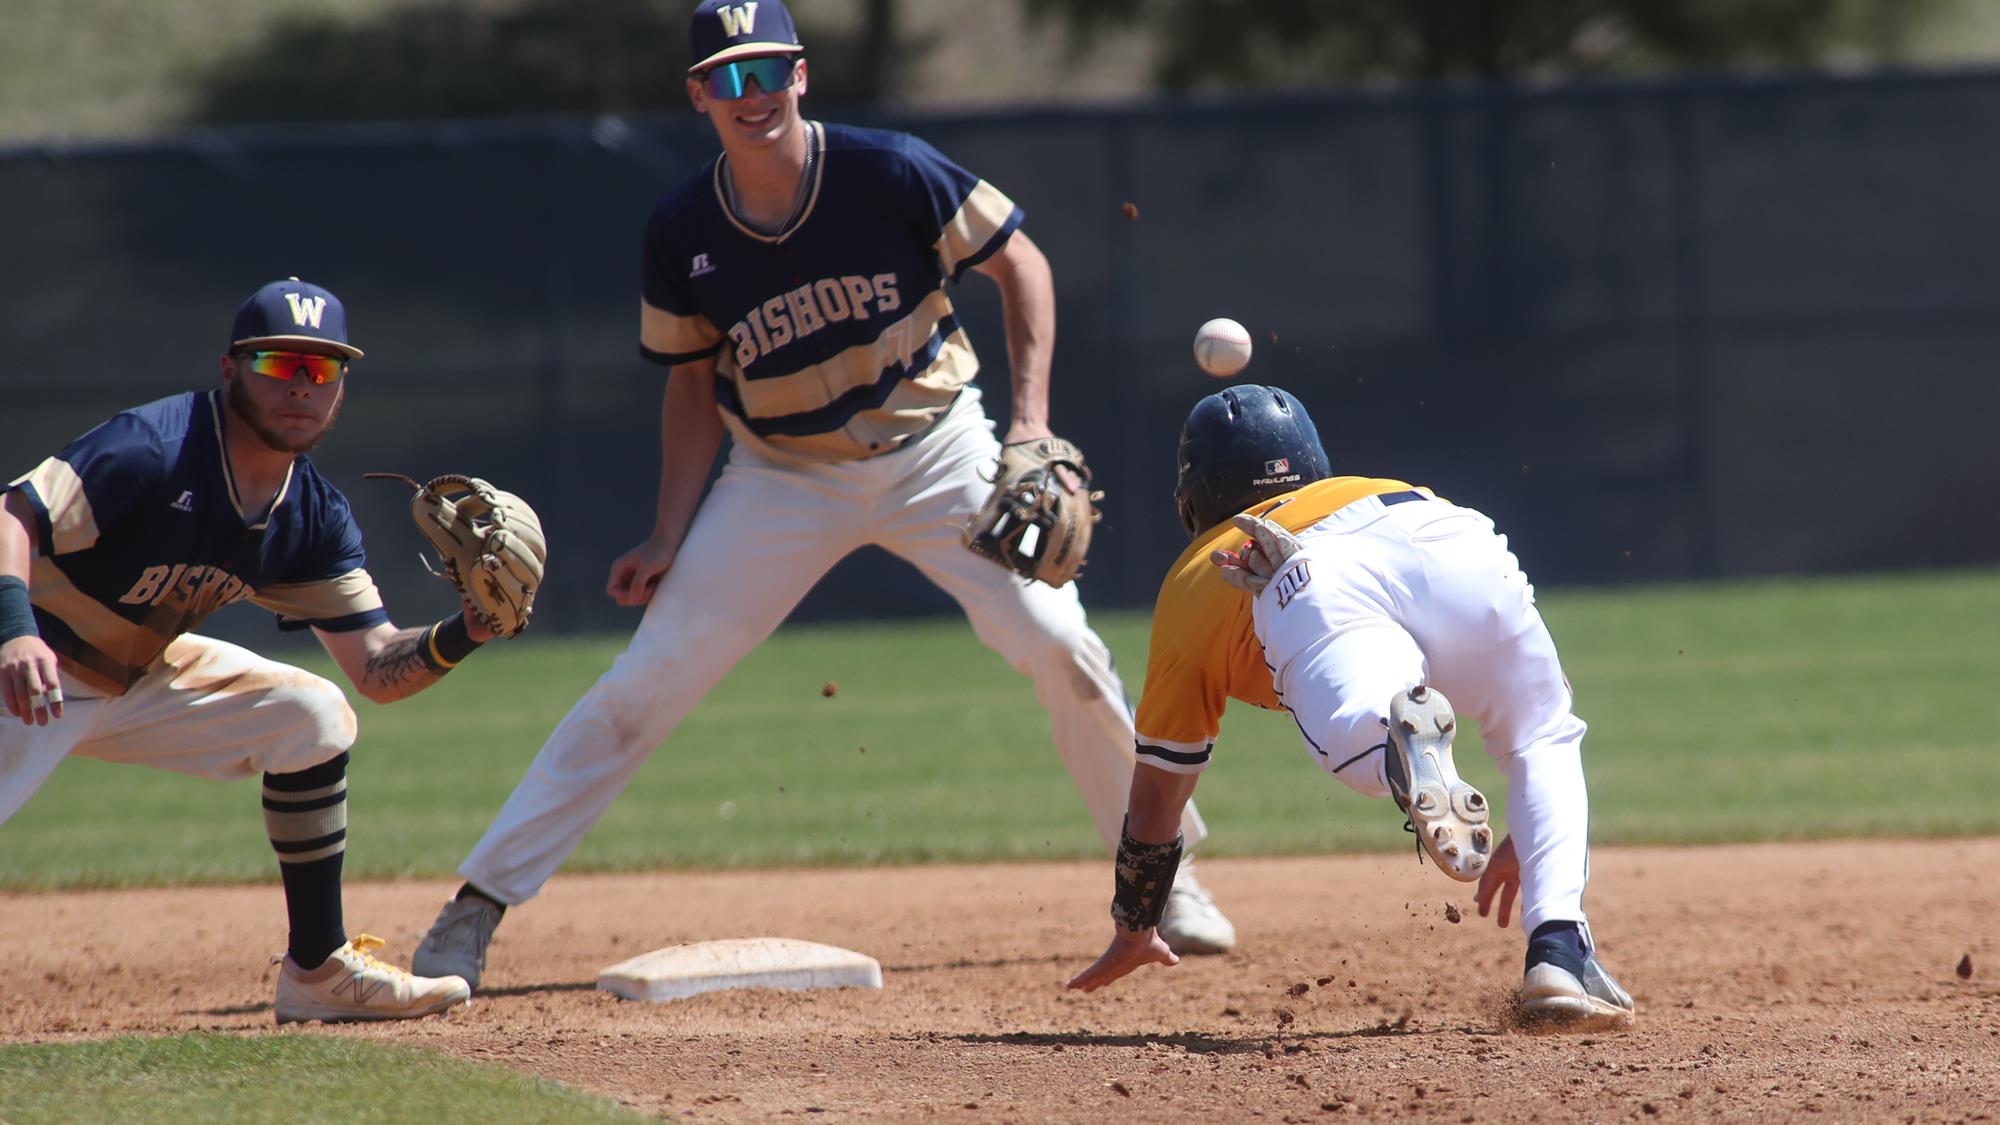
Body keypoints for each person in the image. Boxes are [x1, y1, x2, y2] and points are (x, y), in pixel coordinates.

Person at [411, 0, 1237, 987]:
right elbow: (688, 381)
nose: (748, 94)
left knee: (1060, 646)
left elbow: (1020, 264)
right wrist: (670, 527)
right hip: (780, 478)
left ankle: (1163, 880)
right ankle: (477, 906)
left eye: (765, 72)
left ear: (800, 74)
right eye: (726, 77)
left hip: (938, 449)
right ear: (696, 96)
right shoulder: (681, 232)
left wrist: (1028, 425)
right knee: (642, 688)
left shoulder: (887, 169)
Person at [0, 278, 507, 1024]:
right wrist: (13, 628)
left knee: (309, 715)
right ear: (232, 367)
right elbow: (14, 510)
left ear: (340, 389)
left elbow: (375, 668)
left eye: (322, 369)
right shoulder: (155, 449)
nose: (301, 386)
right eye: (280, 363)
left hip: (134, 679)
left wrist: (471, 629)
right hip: (26, 677)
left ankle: (318, 971)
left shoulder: (310, 515)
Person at [1065, 385, 1634, 1031]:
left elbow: (1157, 798)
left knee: (1367, 722)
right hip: (1445, 533)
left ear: (1192, 496)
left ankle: (1398, 750)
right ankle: (1560, 950)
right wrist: (1534, 834)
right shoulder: (1357, 484)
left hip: (1305, 574)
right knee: (1542, 738)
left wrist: (1135, 922)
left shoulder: (1198, 574)